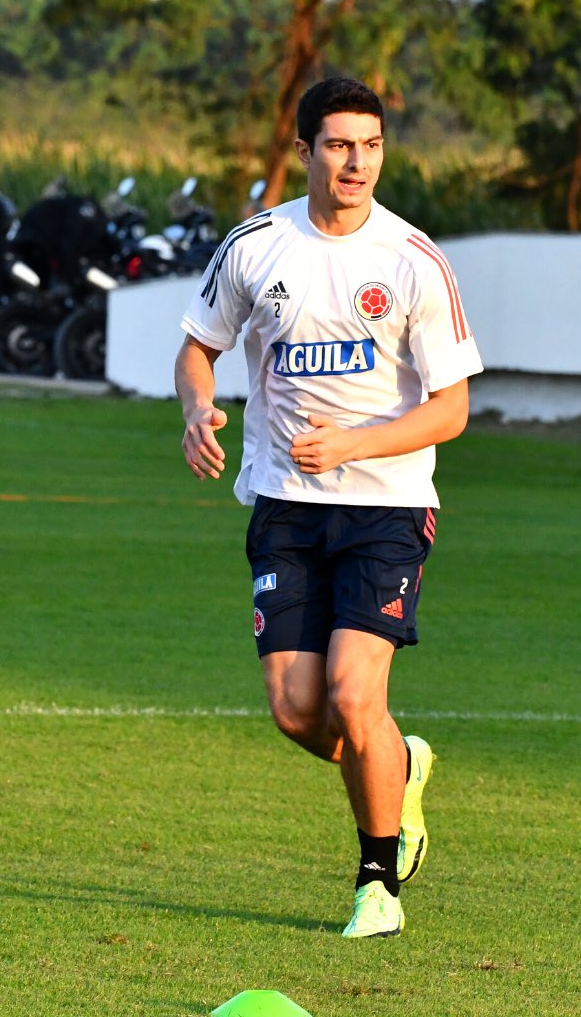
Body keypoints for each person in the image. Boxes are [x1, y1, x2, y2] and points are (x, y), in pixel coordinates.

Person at [174, 76, 482, 938]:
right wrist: (198, 409)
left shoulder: (412, 260)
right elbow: (197, 350)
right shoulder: (255, 246)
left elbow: (451, 410)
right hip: (284, 504)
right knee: (296, 710)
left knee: (354, 693)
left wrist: (352, 444)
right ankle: (400, 763)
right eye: (339, 145)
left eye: (371, 145)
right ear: (305, 150)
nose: (356, 162)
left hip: (384, 507)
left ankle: (376, 884)